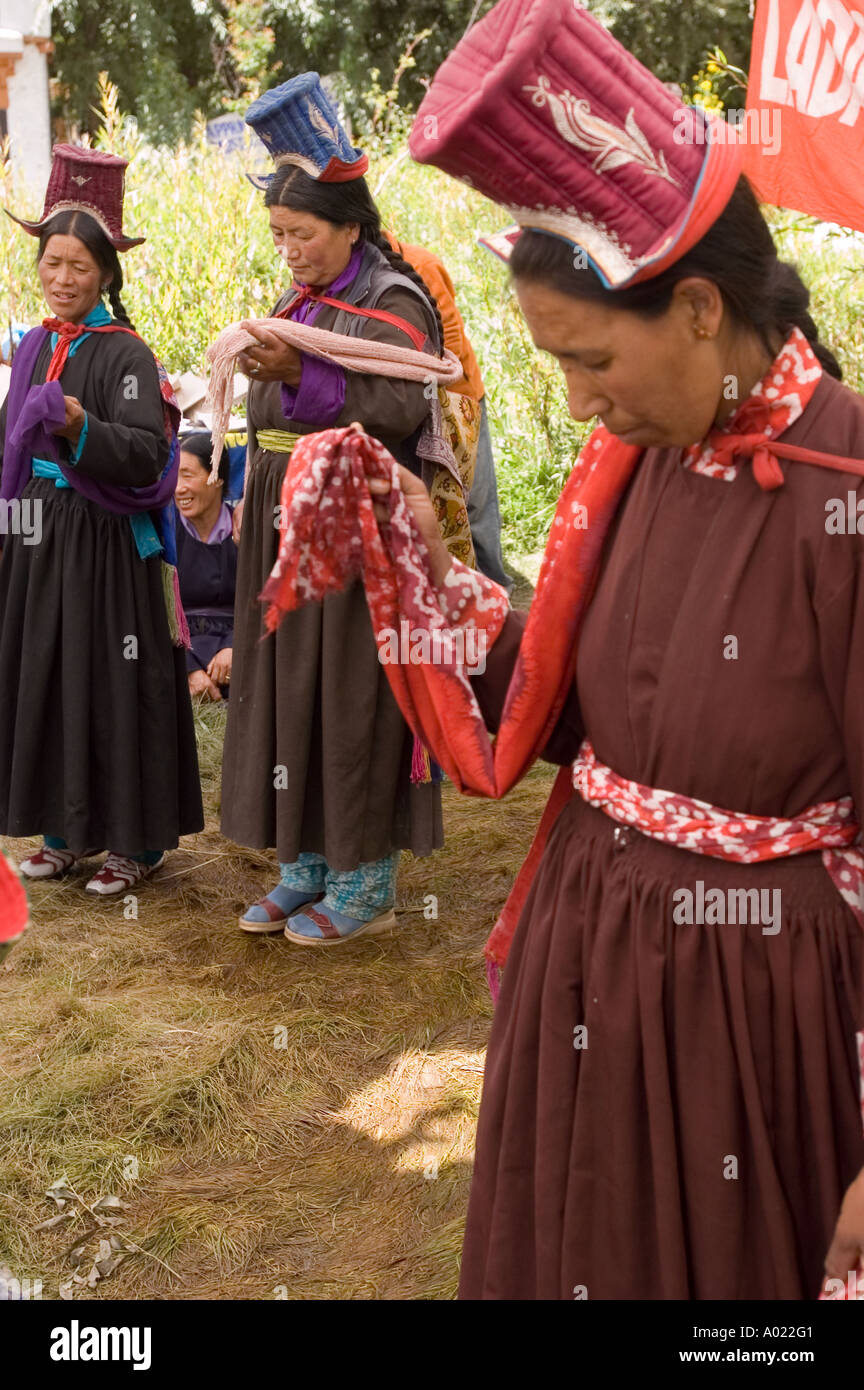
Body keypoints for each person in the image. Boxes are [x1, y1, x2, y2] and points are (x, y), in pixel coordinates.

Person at [346, 0, 864, 1299]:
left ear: (698, 308)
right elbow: (597, 707)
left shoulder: (841, 487)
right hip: (595, 961)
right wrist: (439, 568)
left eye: (590, 359)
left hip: (752, 1013)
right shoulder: (633, 463)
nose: (577, 402)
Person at [221, 74, 462, 944]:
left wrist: (300, 374)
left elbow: (399, 408)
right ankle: (305, 861)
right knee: (293, 685)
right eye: (278, 234)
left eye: (302, 233)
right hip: (284, 526)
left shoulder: (394, 303)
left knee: (353, 690)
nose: (288, 249)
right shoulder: (304, 303)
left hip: (356, 531)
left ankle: (365, 876)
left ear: (350, 225)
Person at [0, 145, 203, 896]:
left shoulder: (126, 355)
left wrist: (84, 427)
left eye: (78, 267)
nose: (61, 279)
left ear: (105, 276)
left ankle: (133, 842)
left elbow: (150, 455)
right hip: (40, 542)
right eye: (51, 263)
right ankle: (62, 832)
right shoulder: (31, 349)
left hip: (103, 546)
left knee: (112, 680)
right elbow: (9, 449)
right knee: (46, 676)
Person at [384, 231, 512, 591]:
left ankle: (495, 591)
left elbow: (450, 344)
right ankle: (456, 594)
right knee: (441, 506)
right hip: (414, 407)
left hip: (458, 397)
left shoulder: (420, 263)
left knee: (475, 502)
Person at [174, 431, 237, 701]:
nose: (178, 488)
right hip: (180, 649)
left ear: (217, 478)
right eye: (174, 477)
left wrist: (236, 648)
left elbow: (264, 606)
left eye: (187, 476)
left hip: (237, 649)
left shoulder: (244, 531)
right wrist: (188, 668)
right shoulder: (165, 535)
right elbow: (154, 611)